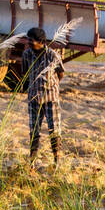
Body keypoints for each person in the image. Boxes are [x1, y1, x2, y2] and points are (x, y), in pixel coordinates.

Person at [22, 26, 65, 169]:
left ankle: (57, 161)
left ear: (41, 41)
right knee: (34, 131)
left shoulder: (53, 55)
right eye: (28, 39)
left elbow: (60, 73)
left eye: (31, 40)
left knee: (54, 131)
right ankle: (32, 162)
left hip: (51, 98)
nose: (28, 42)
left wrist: (52, 87)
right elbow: (25, 74)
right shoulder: (27, 54)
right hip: (34, 99)